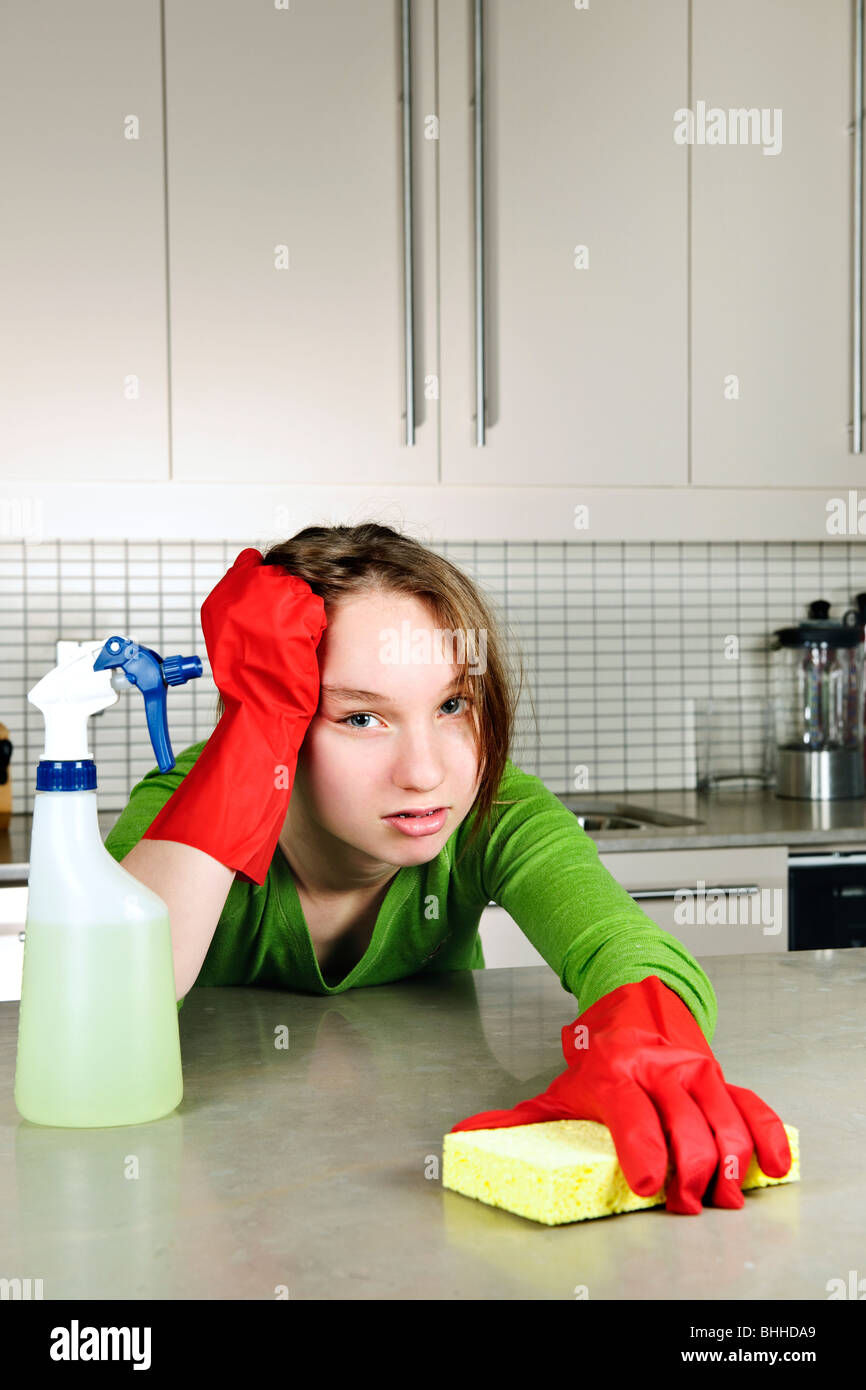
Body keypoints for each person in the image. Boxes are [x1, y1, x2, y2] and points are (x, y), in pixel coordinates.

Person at [105, 522, 791, 1214]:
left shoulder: (492, 807)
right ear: (283, 715)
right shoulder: (187, 805)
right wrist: (249, 739)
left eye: (453, 705)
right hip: (207, 1192)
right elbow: (100, 1010)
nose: (427, 773)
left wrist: (647, 1031)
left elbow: (621, 944)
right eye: (362, 719)